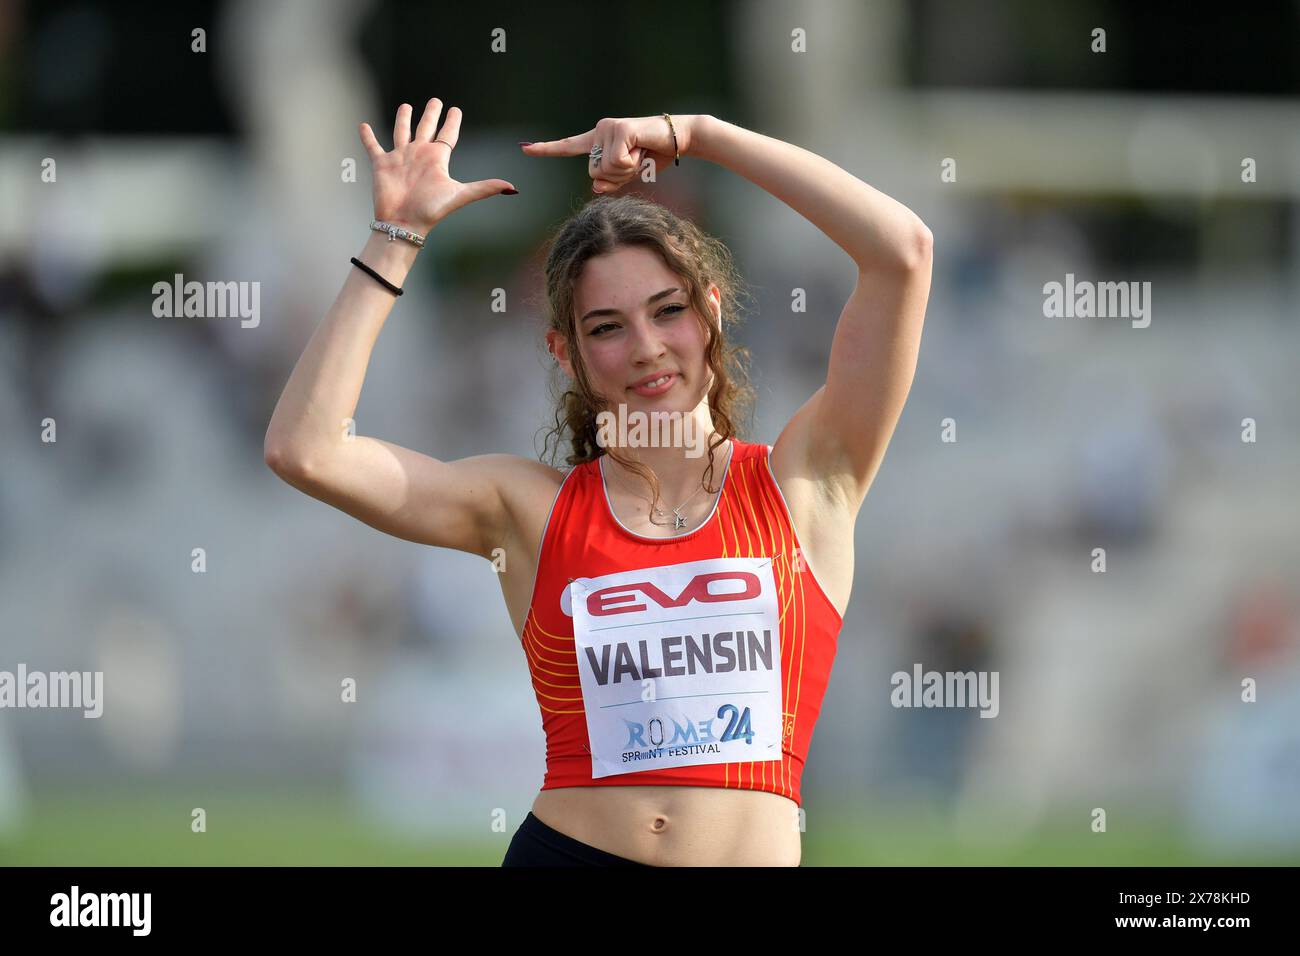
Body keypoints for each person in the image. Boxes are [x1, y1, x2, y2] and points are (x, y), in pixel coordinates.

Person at [264, 98, 933, 866]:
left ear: (711, 312)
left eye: (668, 310)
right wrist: (397, 237)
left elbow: (903, 253)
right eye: (607, 327)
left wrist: (700, 137)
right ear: (567, 353)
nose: (646, 348)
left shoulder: (808, 480)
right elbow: (304, 448)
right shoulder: (525, 507)